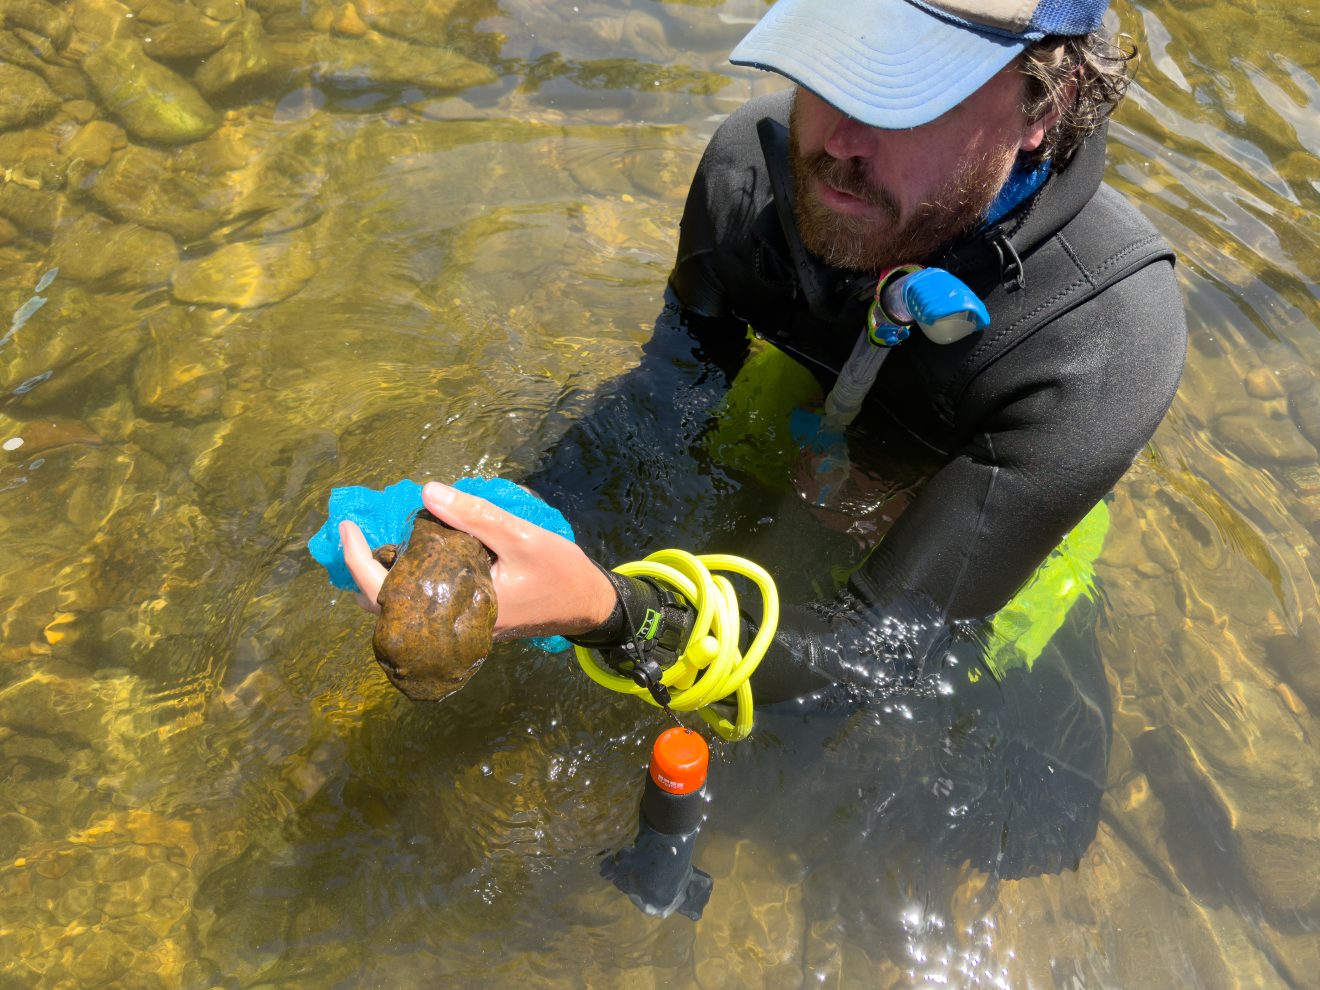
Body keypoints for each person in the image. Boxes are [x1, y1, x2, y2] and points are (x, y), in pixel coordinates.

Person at [342, 0, 1186, 706]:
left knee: (910, 740)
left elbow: (881, 650)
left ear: (1045, 105)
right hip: (808, 404)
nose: (839, 144)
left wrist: (616, 615)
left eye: (908, 100)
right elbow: (665, 400)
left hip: (988, 505)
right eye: (833, 67)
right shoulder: (751, 173)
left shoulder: (1101, 340)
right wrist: (489, 537)